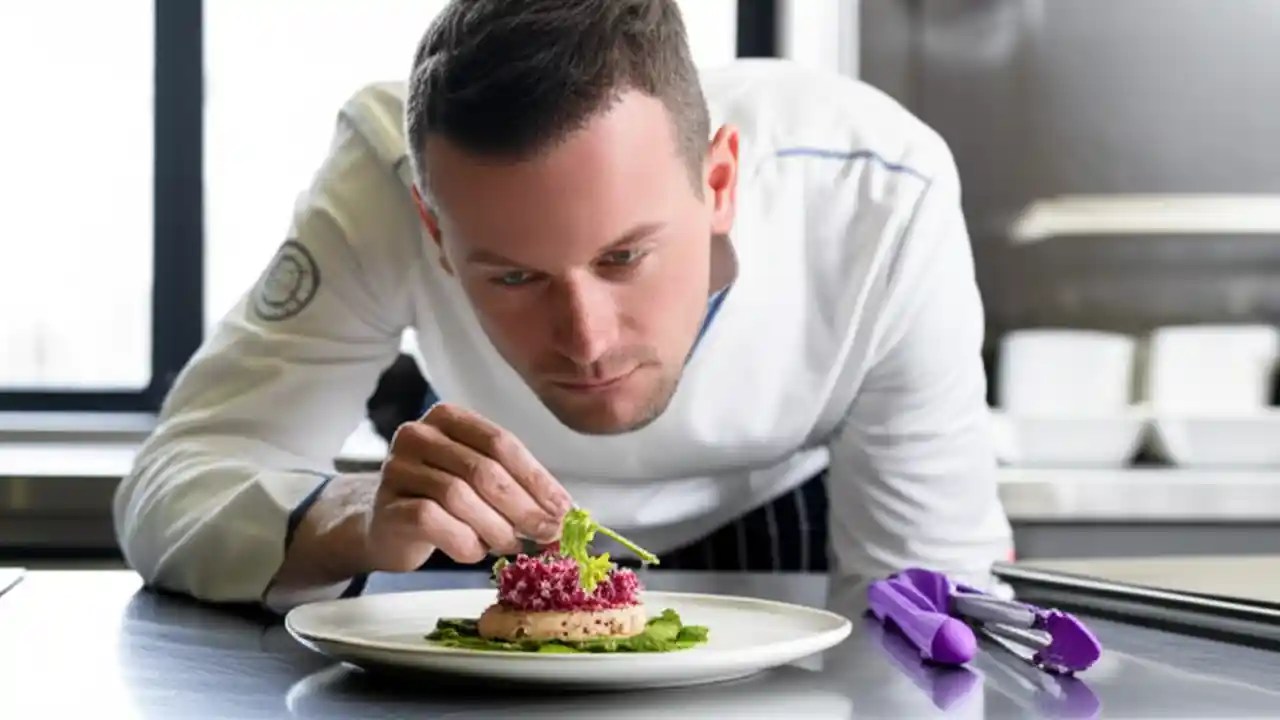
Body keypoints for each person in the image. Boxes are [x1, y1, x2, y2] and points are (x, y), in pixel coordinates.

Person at [114, 0, 1013, 611]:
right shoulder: (387, 177)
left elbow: (926, 598)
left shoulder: (879, 194)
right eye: (512, 277)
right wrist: (345, 514)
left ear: (722, 181)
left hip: (781, 533)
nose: (586, 342)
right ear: (434, 228)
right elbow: (174, 480)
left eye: (625, 256)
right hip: (480, 554)